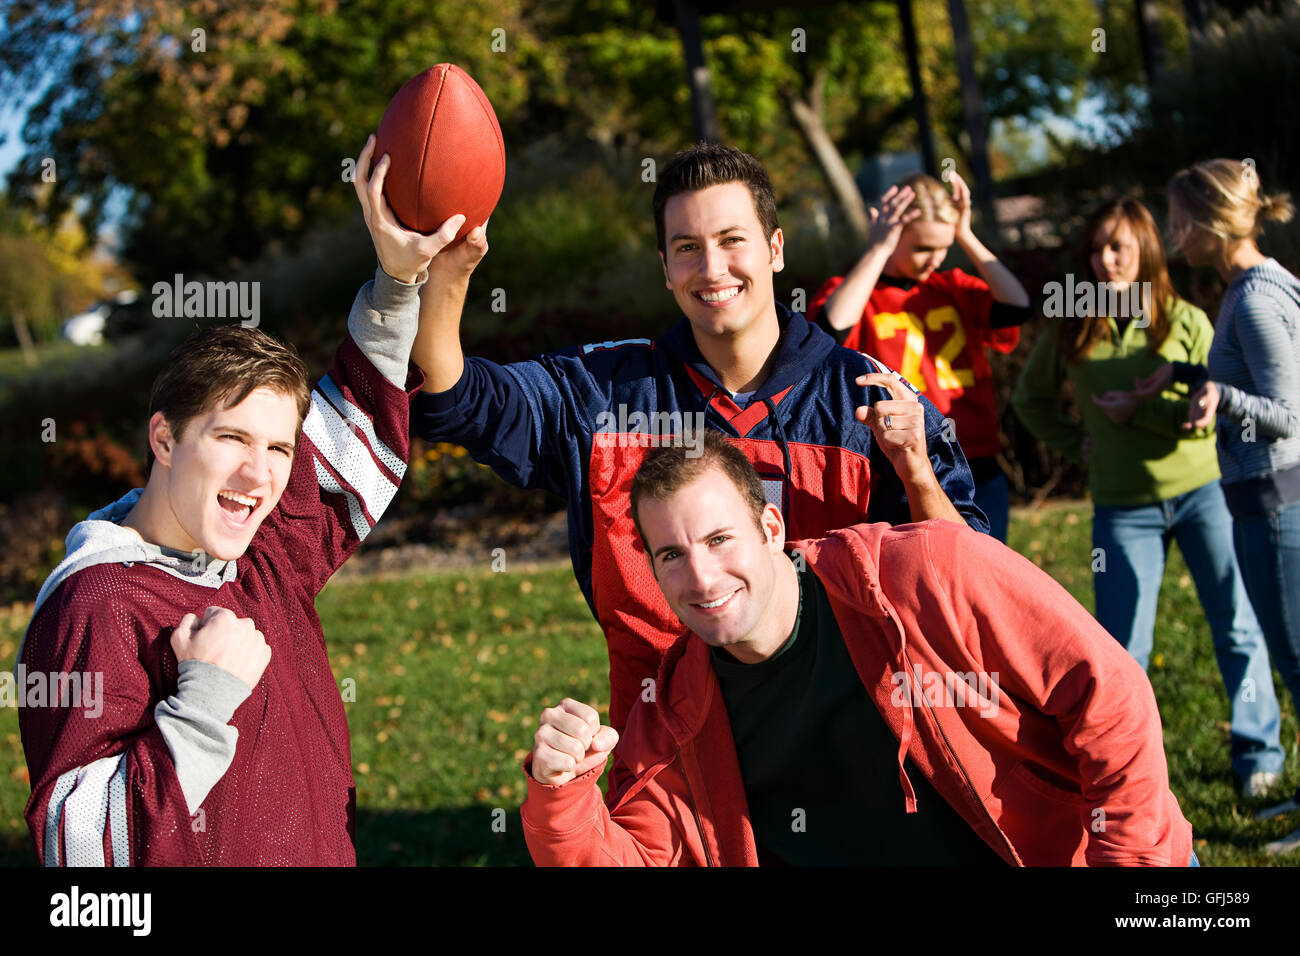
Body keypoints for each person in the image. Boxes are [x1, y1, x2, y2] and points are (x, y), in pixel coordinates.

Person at [412, 143, 987, 735]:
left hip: (844, 735)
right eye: (688, 248)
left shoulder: (863, 394)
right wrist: (446, 274)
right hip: (671, 751)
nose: (712, 269)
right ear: (665, 268)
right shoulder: (605, 392)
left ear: (775, 249)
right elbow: (450, 403)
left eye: (732, 240)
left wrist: (916, 471)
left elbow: (971, 585)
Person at [17, 134, 458, 865]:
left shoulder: (264, 556)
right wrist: (200, 705)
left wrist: (398, 280)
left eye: (279, 448)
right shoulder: (97, 606)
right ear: (163, 440)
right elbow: (81, 858)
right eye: (230, 440)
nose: (260, 476)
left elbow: (351, 427)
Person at [519, 430, 1194, 866]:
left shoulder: (926, 570)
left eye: (719, 540)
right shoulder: (674, 710)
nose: (700, 577)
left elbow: (1108, 694)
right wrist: (562, 796)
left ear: (772, 525)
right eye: (671, 555)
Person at [1012, 197, 1284, 799]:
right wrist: (1085, 444)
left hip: (1201, 492)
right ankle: (1131, 775)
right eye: (1097, 249)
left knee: (1237, 627)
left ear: (1147, 254)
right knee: (1121, 649)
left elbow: (1208, 414)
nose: (1106, 261)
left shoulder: (1186, 321)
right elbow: (1029, 402)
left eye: (1120, 248)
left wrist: (1139, 413)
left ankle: (1258, 755)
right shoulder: (1075, 326)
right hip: (1121, 507)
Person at [1135, 159, 1300, 854]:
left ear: (1210, 221)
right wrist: (1190, 376)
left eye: (1178, 224)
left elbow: (1286, 415)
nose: (1174, 241)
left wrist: (1221, 399)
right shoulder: (1250, 288)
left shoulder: (1255, 297)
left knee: (1294, 660)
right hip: (1264, 504)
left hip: (1274, 507)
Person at [807, 171, 1033, 541]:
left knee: (984, 579)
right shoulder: (861, 293)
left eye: (943, 247)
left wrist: (966, 234)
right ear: (894, 236)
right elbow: (829, 328)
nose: (935, 259)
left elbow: (1016, 306)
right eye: (922, 248)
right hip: (902, 462)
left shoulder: (951, 286)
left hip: (975, 456)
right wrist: (878, 248)